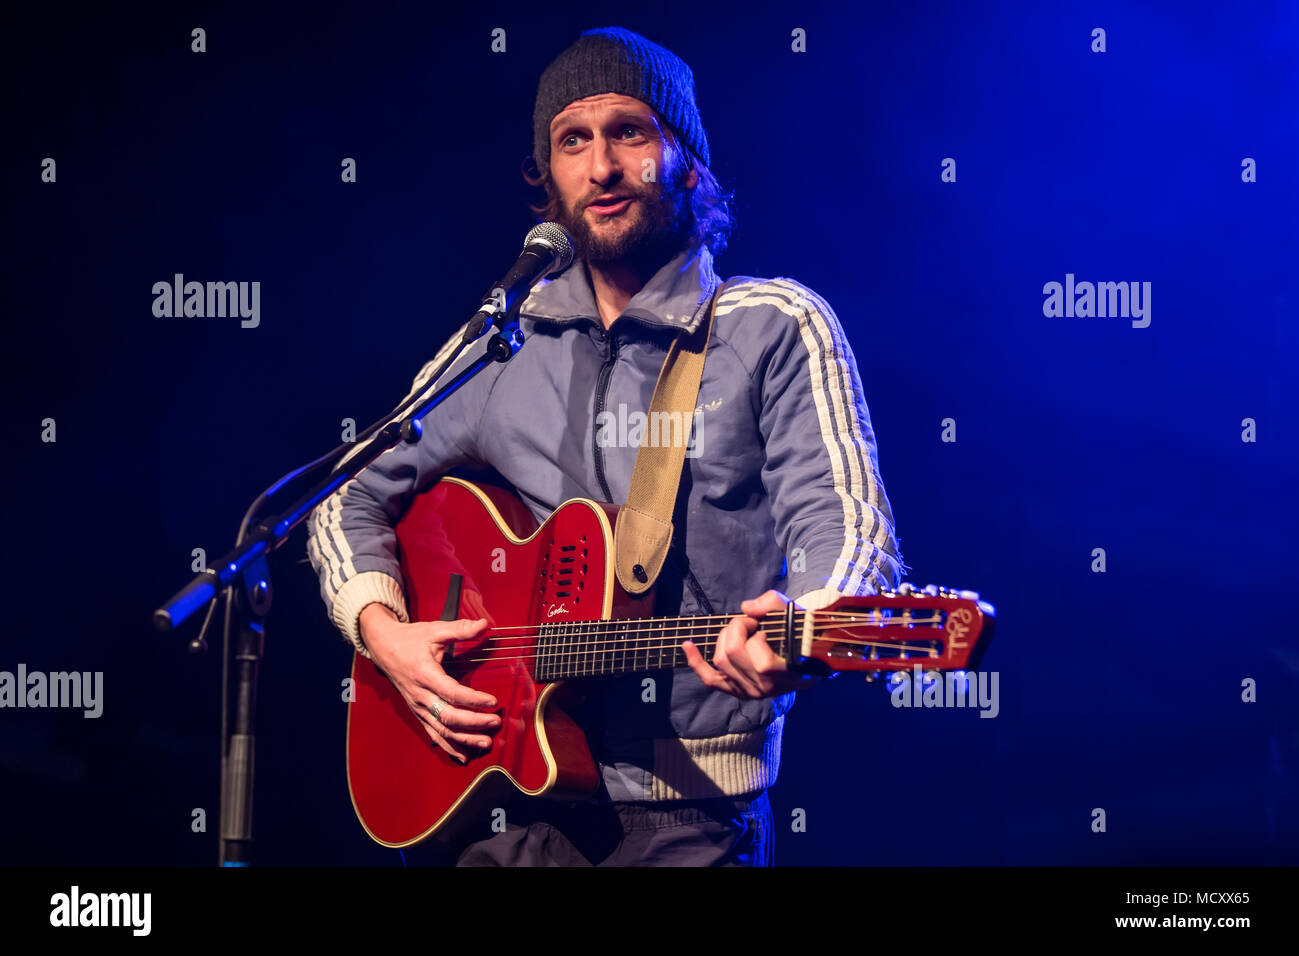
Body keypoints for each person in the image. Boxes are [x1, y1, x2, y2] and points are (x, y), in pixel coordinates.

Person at [306, 25, 906, 866]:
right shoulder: (507, 337)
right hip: (497, 795)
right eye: (572, 141)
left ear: (686, 159)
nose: (601, 168)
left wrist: (803, 622)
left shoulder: (771, 326)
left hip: (690, 814)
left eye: (629, 132)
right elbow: (344, 491)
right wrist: (384, 632)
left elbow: (845, 527)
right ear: (546, 176)